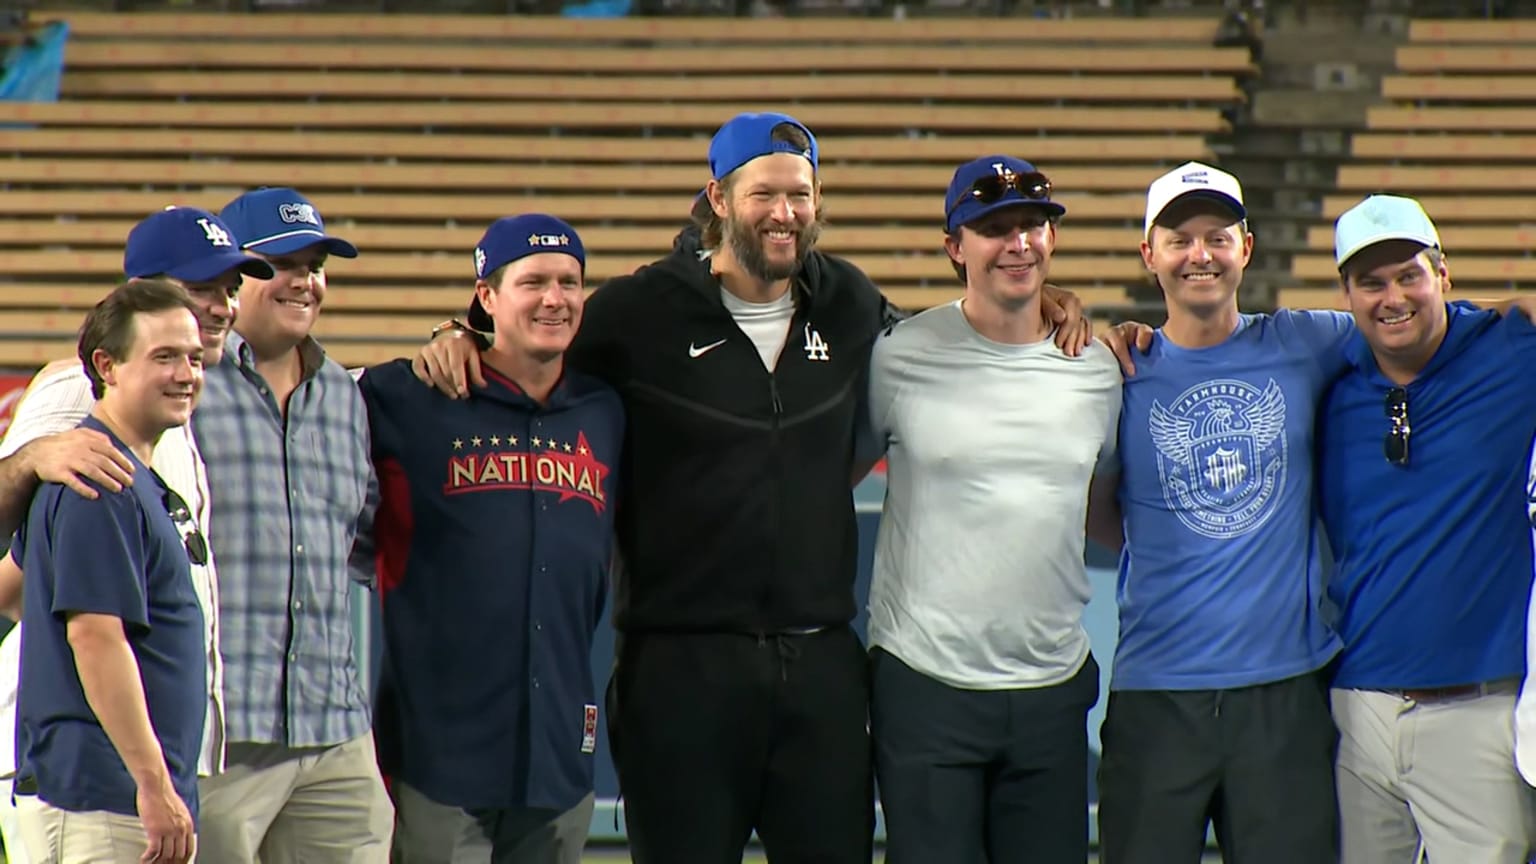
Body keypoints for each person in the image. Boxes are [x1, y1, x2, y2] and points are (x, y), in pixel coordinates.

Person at [412, 112, 1091, 863]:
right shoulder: (637, 314)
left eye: (800, 195)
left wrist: (1049, 304)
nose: (785, 213)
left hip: (820, 672)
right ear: (719, 199)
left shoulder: (850, 304)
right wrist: (462, 332)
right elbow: (535, 351)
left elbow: (964, 331)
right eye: (764, 193)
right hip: (679, 671)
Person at [865, 155, 1120, 863]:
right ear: (955, 246)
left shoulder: (1097, 368)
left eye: (1033, 225)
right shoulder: (899, 355)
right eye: (994, 229)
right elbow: (826, 477)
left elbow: (1108, 514)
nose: (1018, 243)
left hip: (1051, 690)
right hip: (925, 684)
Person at [0, 205, 272, 864]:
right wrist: (33, 459)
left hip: (125, 763)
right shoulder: (79, 405)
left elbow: (25, 576)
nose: (222, 306)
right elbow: (91, 627)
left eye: (230, 289)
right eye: (203, 288)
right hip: (92, 773)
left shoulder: (165, 422)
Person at [1095, 162, 1346, 864]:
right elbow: (1096, 511)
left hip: (1283, 696)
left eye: (1217, 237)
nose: (1199, 254)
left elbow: (1414, 322)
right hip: (1156, 695)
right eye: (1179, 239)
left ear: (1247, 247)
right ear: (1150, 255)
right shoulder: (1118, 369)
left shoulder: (1306, 342)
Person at [354, 215, 622, 863]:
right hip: (437, 754)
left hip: (559, 749)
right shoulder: (407, 394)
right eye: (532, 282)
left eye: (569, 282)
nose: (554, 298)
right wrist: (57, 433)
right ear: (487, 296)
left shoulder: (607, 410)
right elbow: (288, 388)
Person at [1318, 194, 1536, 863]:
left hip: (1479, 709)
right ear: (1347, 296)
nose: (1393, 297)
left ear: (1443, 275)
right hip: (1356, 709)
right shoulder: (1326, 382)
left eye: (1409, 274)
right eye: (1371, 282)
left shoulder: (1514, 355)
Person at [192, 187, 393, 862]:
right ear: (233, 279)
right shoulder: (182, 380)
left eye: (316, 264)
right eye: (282, 264)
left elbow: (359, 544)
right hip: (220, 733)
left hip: (333, 730)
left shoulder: (344, 394)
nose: (304, 280)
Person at [10, 278, 208, 864]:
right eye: (165, 357)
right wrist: (151, 782)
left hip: (119, 796)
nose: (187, 374)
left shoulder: (124, 471)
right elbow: (95, 636)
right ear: (108, 365)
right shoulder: (100, 479)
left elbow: (18, 583)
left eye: (194, 357)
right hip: (106, 800)